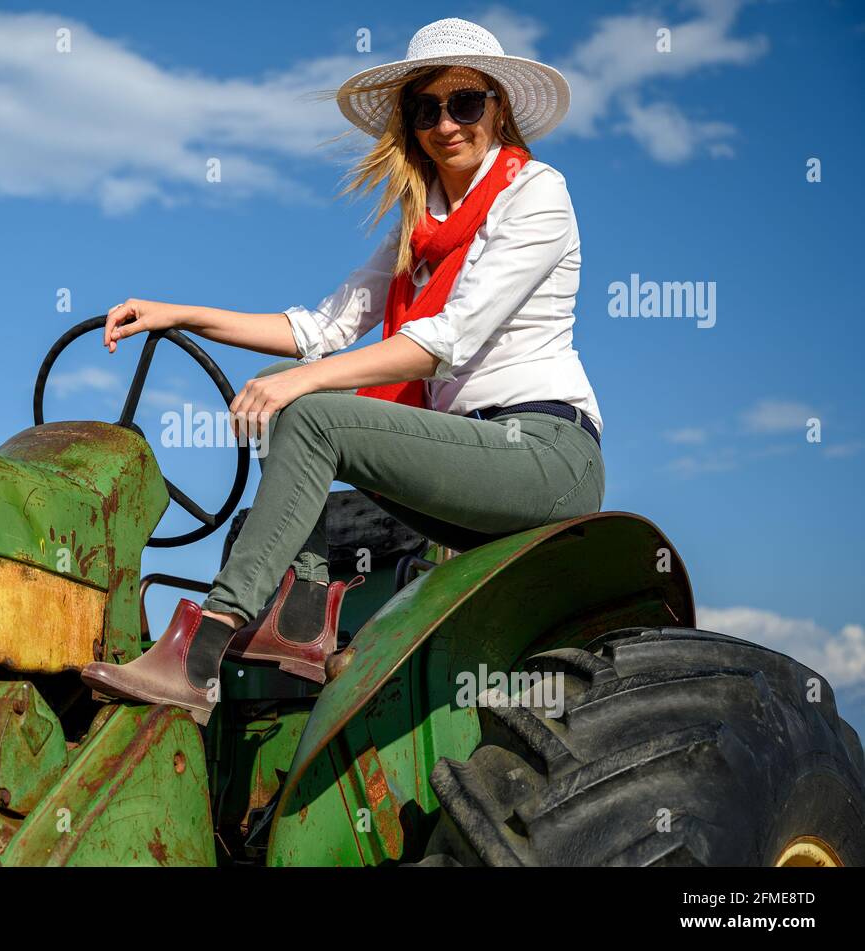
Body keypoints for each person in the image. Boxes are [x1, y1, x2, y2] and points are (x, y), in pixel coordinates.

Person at [81, 18, 604, 725]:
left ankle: (201, 652)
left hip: (543, 451)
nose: (446, 123)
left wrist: (303, 382)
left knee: (310, 411)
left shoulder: (538, 194)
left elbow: (443, 339)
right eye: (427, 109)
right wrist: (176, 313)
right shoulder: (416, 228)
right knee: (291, 436)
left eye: (465, 103)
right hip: (464, 450)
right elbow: (319, 329)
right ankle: (299, 621)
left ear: (499, 107)